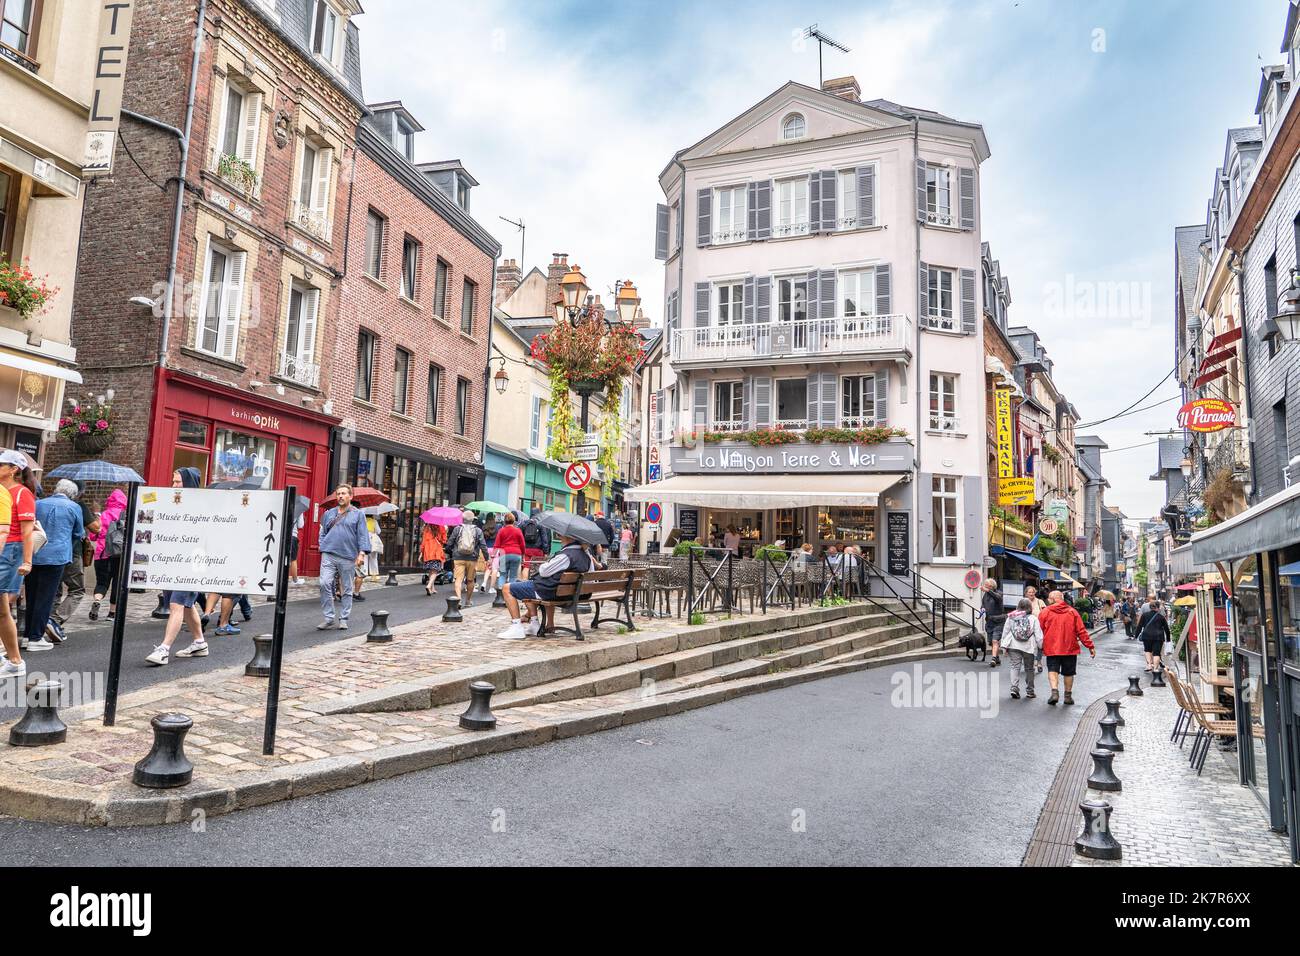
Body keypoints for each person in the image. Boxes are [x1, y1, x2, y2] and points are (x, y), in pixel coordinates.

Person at [145, 468, 210, 666]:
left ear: (189, 483)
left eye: (178, 482)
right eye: (173, 482)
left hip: (190, 565)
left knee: (176, 604)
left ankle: (164, 649)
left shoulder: (201, 507)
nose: (174, 486)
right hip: (171, 561)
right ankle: (200, 643)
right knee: (185, 606)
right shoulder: (172, 503)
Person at [23, 479, 84, 651]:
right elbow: (79, 533)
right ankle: (36, 638)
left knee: (32, 595)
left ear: (56, 489)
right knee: (46, 598)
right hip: (57, 556)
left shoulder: (38, 503)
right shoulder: (74, 507)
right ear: (72, 495)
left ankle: (27, 635)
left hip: (34, 554)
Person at [498, 533, 592, 639]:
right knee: (526, 584)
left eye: (561, 536)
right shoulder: (586, 555)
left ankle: (517, 628)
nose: (560, 538)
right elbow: (591, 574)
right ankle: (534, 624)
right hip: (570, 593)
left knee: (507, 588)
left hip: (548, 591)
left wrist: (547, 563)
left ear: (569, 538)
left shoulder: (566, 555)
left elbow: (543, 571)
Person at [316, 484, 370, 631]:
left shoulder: (358, 514)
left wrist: (361, 553)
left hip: (348, 556)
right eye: (338, 493)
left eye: (343, 493)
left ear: (350, 496)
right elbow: (322, 532)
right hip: (329, 554)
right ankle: (328, 617)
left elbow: (363, 535)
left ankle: (344, 618)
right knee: (324, 583)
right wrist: (322, 546)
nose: (340, 496)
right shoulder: (328, 514)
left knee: (346, 589)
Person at [50, 480, 98, 638]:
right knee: (77, 590)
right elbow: (94, 529)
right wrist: (97, 513)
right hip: (72, 552)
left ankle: (44, 622)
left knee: (55, 590)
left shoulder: (46, 502)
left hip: (48, 552)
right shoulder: (79, 506)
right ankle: (54, 621)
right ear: (80, 492)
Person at [0, 452, 36, 655]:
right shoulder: (2, 491)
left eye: (0, 464)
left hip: (10, 548)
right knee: (3, 606)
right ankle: (11, 655)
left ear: (13, 469)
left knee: (5, 602)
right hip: (5, 546)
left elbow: (27, 531)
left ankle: (12, 656)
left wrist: (28, 562)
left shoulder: (22, 493)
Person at [1038, 589, 1096, 705]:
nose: (1048, 601)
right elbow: (1081, 631)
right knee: (1069, 672)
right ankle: (1067, 696)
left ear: (1053, 599)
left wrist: (1038, 644)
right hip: (1069, 647)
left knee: (1052, 670)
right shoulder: (1072, 612)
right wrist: (1090, 646)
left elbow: (1039, 630)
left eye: (1049, 599)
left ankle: (1055, 692)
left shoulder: (1045, 612)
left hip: (1052, 647)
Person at [90, 487, 128, 621]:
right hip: (120, 555)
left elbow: (93, 536)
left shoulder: (104, 515)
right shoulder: (126, 516)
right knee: (117, 583)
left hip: (102, 554)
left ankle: (97, 600)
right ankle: (112, 613)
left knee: (102, 582)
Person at [1002, 597, 1045, 699]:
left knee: (1014, 666)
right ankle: (1030, 691)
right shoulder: (1033, 618)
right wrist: (1040, 646)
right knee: (1029, 668)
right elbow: (1038, 634)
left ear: (1018, 606)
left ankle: (1014, 688)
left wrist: (1004, 646)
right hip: (1028, 646)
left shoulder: (1011, 617)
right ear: (1030, 607)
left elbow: (1005, 631)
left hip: (1013, 645)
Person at [446, 509, 488, 607]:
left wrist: (449, 551)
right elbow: (483, 545)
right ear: (473, 519)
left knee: (458, 579)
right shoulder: (478, 530)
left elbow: (450, 543)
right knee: (470, 580)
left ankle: (458, 600)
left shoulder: (457, 529)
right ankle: (468, 601)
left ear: (462, 519)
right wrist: (487, 558)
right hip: (472, 558)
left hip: (458, 557)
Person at [0, 461, 19, 678]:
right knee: (3, 611)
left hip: (5, 557)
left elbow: (3, 532)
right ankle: (14, 661)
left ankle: (14, 661)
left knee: (3, 610)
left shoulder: (2, 494)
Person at [1133, 595, 1170, 672]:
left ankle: (1149, 665)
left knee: (1147, 650)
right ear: (1158, 607)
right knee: (1156, 653)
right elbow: (1166, 628)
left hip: (1147, 636)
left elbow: (1139, 626)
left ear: (1150, 607)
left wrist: (1136, 635)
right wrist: (1168, 639)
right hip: (1158, 637)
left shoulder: (1144, 615)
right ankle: (1156, 668)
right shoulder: (1161, 617)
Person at [353, 511, 382, 603]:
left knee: (364, 558)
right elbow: (379, 531)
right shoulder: (374, 521)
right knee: (373, 559)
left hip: (364, 539)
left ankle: (363, 574)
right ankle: (375, 575)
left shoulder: (363, 520)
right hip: (372, 539)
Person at [493, 511, 525, 590]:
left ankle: (501, 593)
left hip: (504, 553)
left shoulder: (501, 531)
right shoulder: (518, 531)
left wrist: (493, 556)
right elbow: (522, 545)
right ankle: (511, 593)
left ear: (504, 521)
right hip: (516, 554)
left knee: (503, 575)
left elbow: (497, 544)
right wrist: (523, 555)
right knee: (513, 576)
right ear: (514, 521)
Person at [980, 578, 1007, 668]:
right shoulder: (986, 595)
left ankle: (993, 659)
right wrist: (982, 609)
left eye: (986, 585)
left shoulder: (999, 593)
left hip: (999, 621)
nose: (985, 586)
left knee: (995, 640)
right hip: (989, 621)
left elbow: (998, 598)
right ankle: (997, 658)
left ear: (991, 586)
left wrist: (987, 591)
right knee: (991, 642)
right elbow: (983, 604)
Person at [421, 522, 447, 596]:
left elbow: (423, 542)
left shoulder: (427, 528)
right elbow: (444, 540)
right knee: (435, 571)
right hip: (436, 552)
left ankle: (432, 588)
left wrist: (421, 552)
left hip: (427, 552)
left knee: (431, 570)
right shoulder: (441, 526)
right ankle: (429, 585)